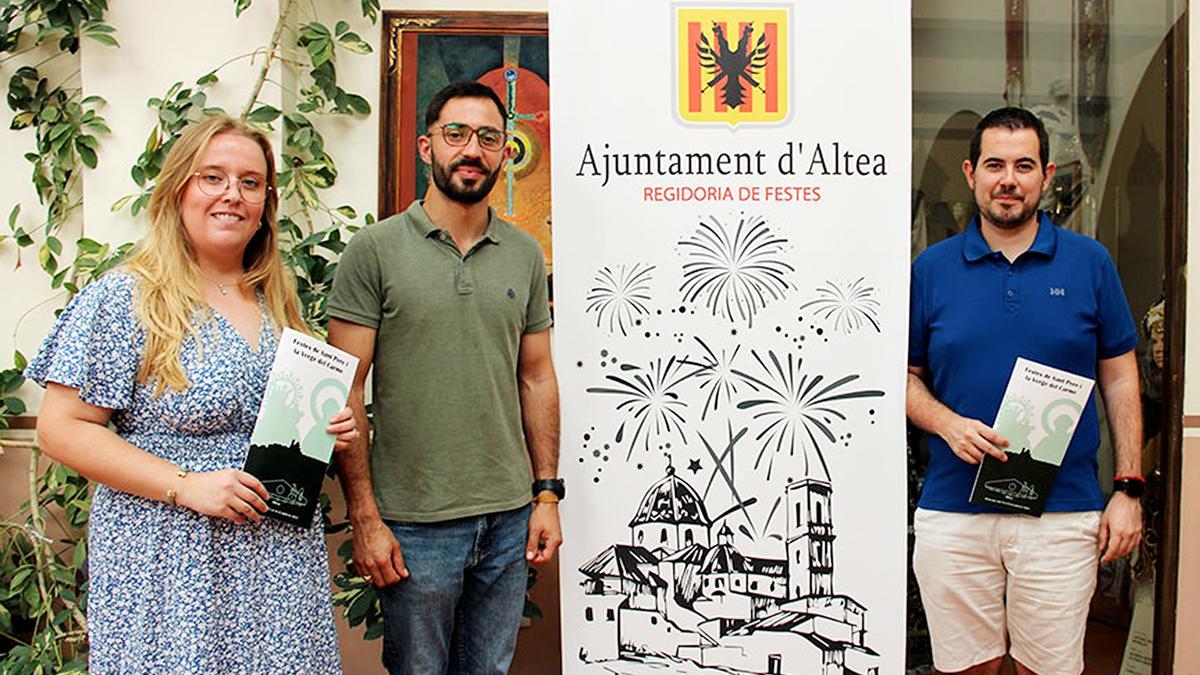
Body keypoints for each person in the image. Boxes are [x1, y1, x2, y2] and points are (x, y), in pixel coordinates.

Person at [27, 115, 357, 674]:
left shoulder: (276, 299)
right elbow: (60, 429)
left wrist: (327, 426)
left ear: (265, 203)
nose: (233, 194)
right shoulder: (126, 296)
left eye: (251, 183)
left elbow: (277, 424)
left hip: (276, 561)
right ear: (179, 188)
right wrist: (185, 486)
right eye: (214, 177)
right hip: (170, 558)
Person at [327, 80, 562, 675]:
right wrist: (365, 516)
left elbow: (537, 378)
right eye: (455, 134)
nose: (472, 150)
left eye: (488, 137)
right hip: (412, 523)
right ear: (427, 147)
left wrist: (546, 495)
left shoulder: (525, 254)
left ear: (508, 151)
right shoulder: (374, 251)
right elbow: (345, 390)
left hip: (508, 518)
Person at [906, 106, 1143, 675]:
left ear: (1046, 174)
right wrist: (946, 423)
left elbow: (1120, 375)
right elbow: (905, 380)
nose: (1007, 179)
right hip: (954, 511)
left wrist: (1129, 487)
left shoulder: (1090, 263)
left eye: (1023, 165)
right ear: (971, 173)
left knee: (1052, 669)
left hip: (1061, 514)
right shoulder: (931, 269)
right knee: (966, 669)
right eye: (994, 164)